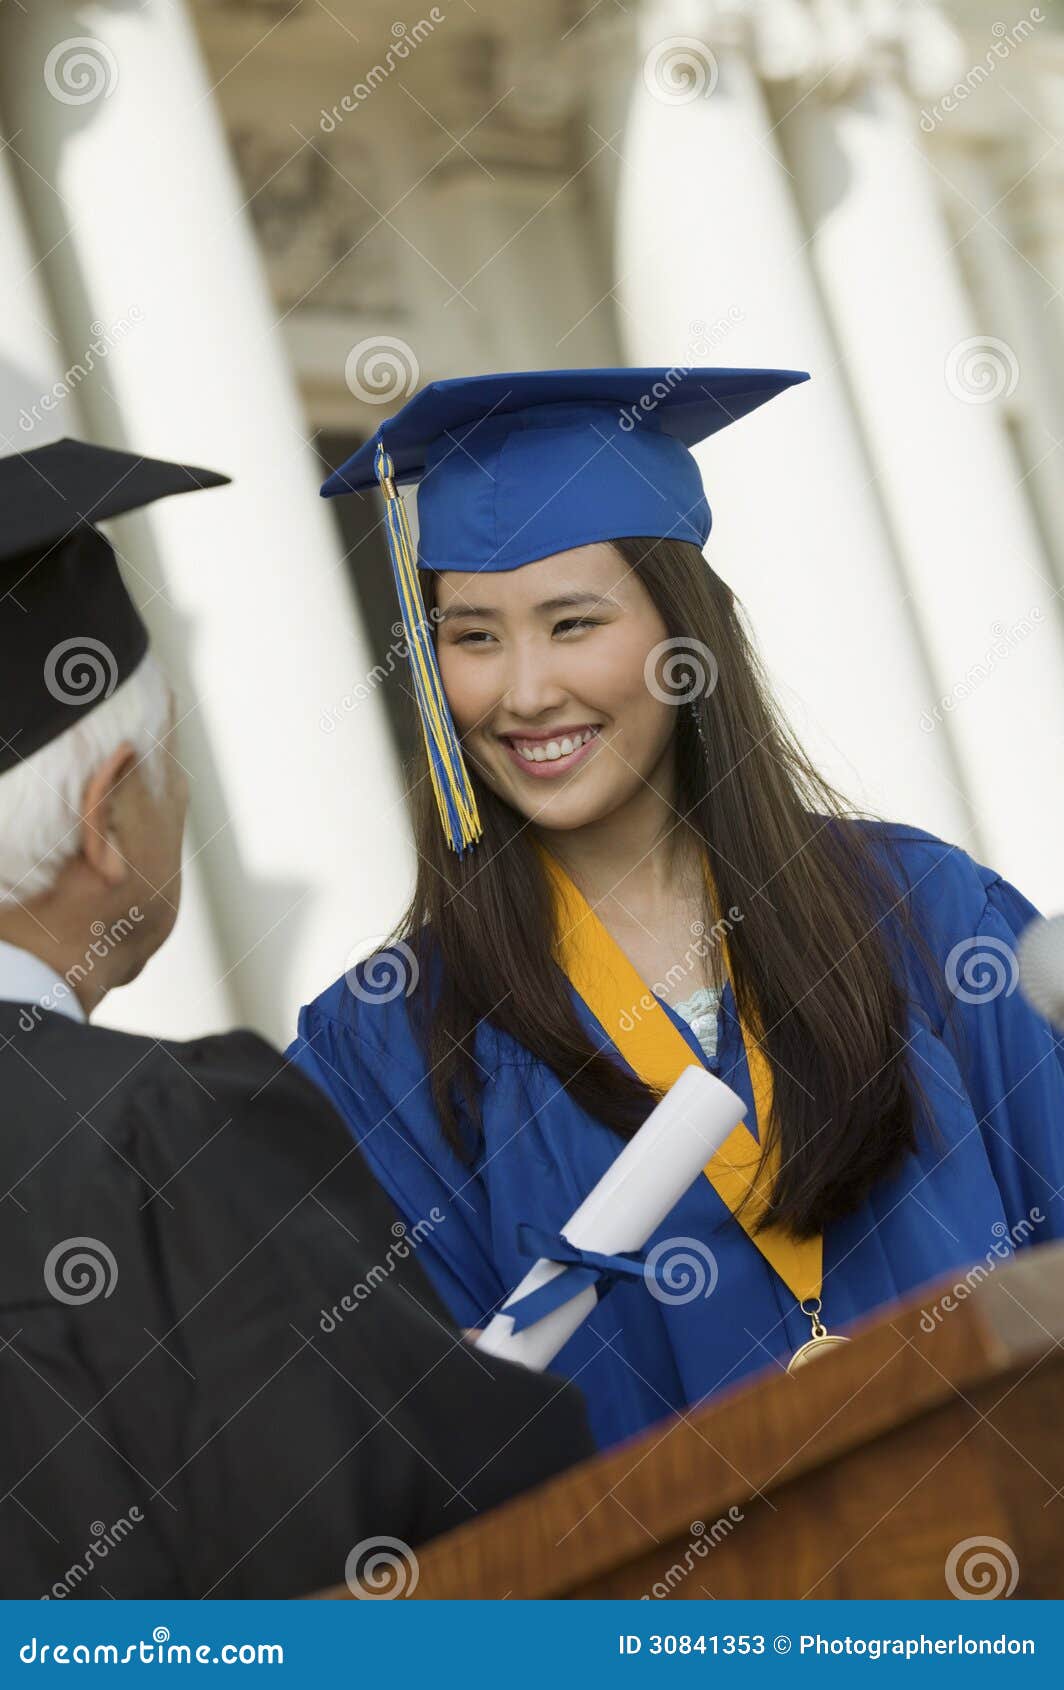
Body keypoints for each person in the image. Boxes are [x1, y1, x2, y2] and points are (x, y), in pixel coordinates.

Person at [289, 366, 1064, 1453]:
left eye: (570, 623)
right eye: (471, 637)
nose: (520, 692)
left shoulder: (928, 917)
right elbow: (435, 1458)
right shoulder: (383, 1048)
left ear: (684, 635)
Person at [0, 438, 593, 1601]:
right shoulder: (164, 1140)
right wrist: (442, 1401)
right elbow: (392, 1551)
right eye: (175, 769)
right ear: (108, 816)